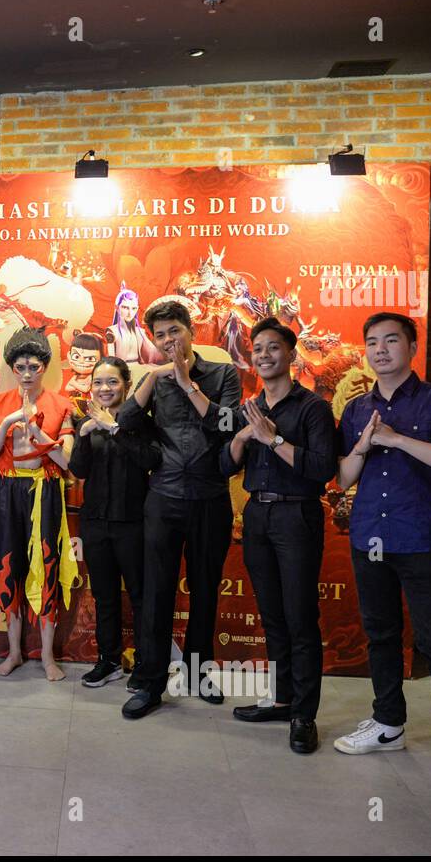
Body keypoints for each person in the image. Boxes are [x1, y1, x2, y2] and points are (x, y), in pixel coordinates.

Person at [333, 313, 431, 801]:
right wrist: (362, 445)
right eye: (372, 342)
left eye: (391, 340)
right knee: (380, 637)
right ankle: (387, 724)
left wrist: (398, 440)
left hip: (419, 538)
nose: (380, 350)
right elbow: (342, 479)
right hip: (369, 538)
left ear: (412, 346)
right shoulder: (356, 409)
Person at [116, 296, 241, 719]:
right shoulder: (156, 379)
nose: (168, 340)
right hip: (164, 498)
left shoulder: (223, 373)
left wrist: (188, 383)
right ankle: (150, 683)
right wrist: (153, 379)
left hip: (210, 498)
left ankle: (198, 673)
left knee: (206, 590)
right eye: (160, 335)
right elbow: (126, 425)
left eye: (175, 331)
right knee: (156, 594)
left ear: (191, 331)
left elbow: (229, 425)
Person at [219, 319, 337, 753]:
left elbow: (323, 469)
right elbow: (226, 465)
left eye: (273, 348)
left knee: (300, 618)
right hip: (257, 515)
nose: (264, 355)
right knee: (271, 615)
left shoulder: (313, 409)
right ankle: (282, 697)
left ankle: (305, 714)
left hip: (296, 515)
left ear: (291, 354)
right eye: (258, 349)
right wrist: (243, 437)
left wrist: (272, 440)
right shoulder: (251, 408)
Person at [0, 328, 77, 681]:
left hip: (44, 490)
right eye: (20, 366)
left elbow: (68, 463)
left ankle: (48, 656)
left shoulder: (62, 404)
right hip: (6, 491)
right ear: (12, 367)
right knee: (9, 566)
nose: (27, 372)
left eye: (34, 365)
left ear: (45, 367)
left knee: (46, 566)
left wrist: (37, 434)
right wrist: (6, 424)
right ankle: (15, 652)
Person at [69, 358, 159, 687]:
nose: (104, 389)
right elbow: (78, 470)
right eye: (98, 383)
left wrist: (113, 428)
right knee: (104, 595)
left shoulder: (141, 422)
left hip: (133, 523)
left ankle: (147, 665)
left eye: (112, 382)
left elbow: (151, 459)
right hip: (95, 522)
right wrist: (84, 433)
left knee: (140, 595)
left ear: (126, 384)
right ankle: (108, 660)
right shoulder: (85, 420)